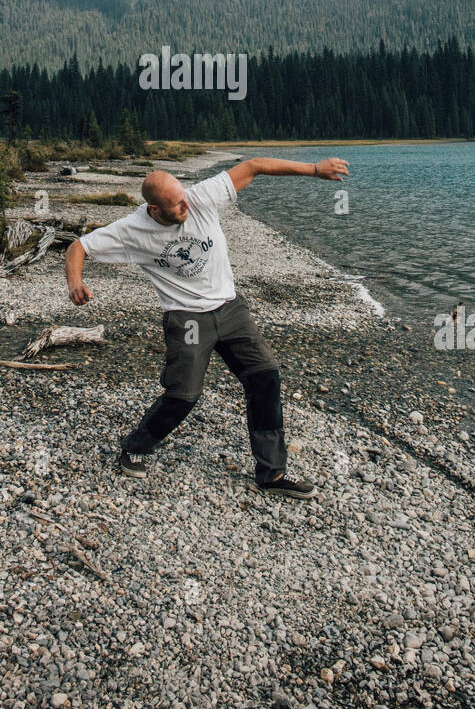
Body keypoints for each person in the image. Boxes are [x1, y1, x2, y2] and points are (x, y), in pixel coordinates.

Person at [64, 155, 348, 498]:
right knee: (184, 395)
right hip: (188, 320)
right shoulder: (131, 230)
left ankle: (272, 473)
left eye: (185, 196)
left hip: (231, 310)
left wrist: (315, 170)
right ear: (155, 209)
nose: (187, 204)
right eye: (177, 203)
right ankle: (136, 446)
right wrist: (75, 283)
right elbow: (78, 247)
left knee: (265, 378)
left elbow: (254, 165)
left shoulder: (201, 197)